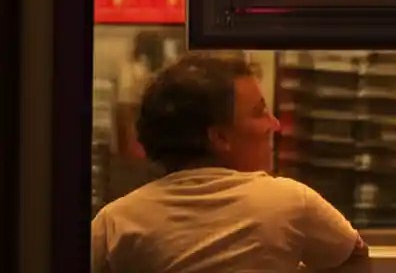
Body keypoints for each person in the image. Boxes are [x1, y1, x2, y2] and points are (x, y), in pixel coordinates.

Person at [91, 53, 370, 272]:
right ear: (220, 137)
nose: (274, 125)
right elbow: (353, 257)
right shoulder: (289, 201)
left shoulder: (115, 222)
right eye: (259, 113)